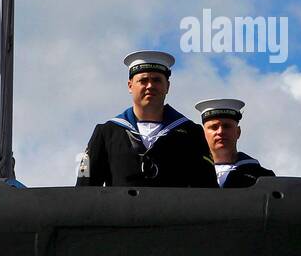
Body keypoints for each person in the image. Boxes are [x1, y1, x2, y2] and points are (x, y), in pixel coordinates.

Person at [75, 51, 217, 188]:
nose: (150, 86)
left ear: (167, 86)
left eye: (156, 80)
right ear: (130, 86)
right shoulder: (106, 133)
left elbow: (208, 192)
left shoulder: (191, 133)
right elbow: (84, 189)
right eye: (143, 80)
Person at [195, 98, 275, 188]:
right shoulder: (190, 173)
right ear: (203, 133)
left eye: (226, 126)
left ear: (238, 132)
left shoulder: (262, 177)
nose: (220, 132)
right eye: (214, 127)